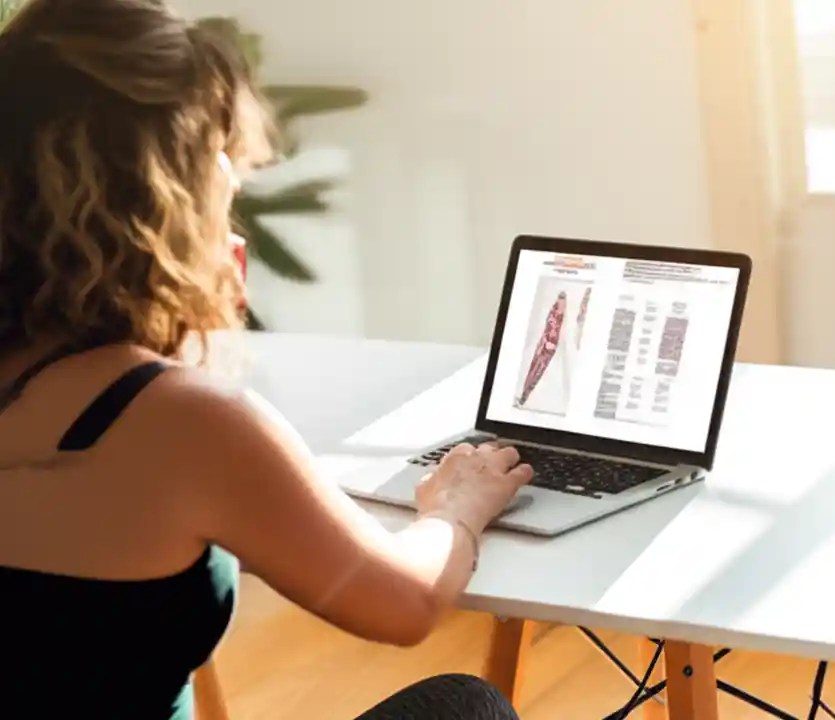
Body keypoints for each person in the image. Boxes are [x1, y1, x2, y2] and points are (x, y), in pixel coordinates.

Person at [0, 1, 530, 717]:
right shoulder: (178, 422)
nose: (233, 179)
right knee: (465, 706)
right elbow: (403, 604)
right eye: (217, 154)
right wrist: (458, 506)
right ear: (164, 190)